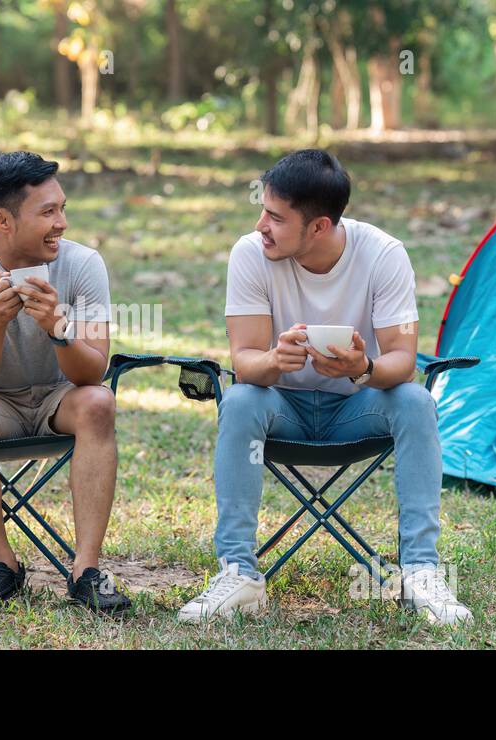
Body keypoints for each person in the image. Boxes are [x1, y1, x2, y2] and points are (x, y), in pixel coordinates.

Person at [179, 149, 473, 626]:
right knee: (238, 399)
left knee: (416, 402)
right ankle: (239, 573)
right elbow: (244, 360)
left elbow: (402, 361)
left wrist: (362, 368)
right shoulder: (250, 254)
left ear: (318, 226)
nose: (260, 226)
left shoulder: (383, 254)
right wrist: (274, 360)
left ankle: (421, 572)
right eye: (262, 211)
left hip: (356, 408)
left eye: (275, 217)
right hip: (281, 406)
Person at [0, 151, 130, 613]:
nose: (61, 222)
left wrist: (57, 328)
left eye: (62, 208)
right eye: (47, 212)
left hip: (62, 396)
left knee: (99, 402)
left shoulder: (82, 265)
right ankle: (3, 565)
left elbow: (92, 372)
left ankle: (86, 571)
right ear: (2, 220)